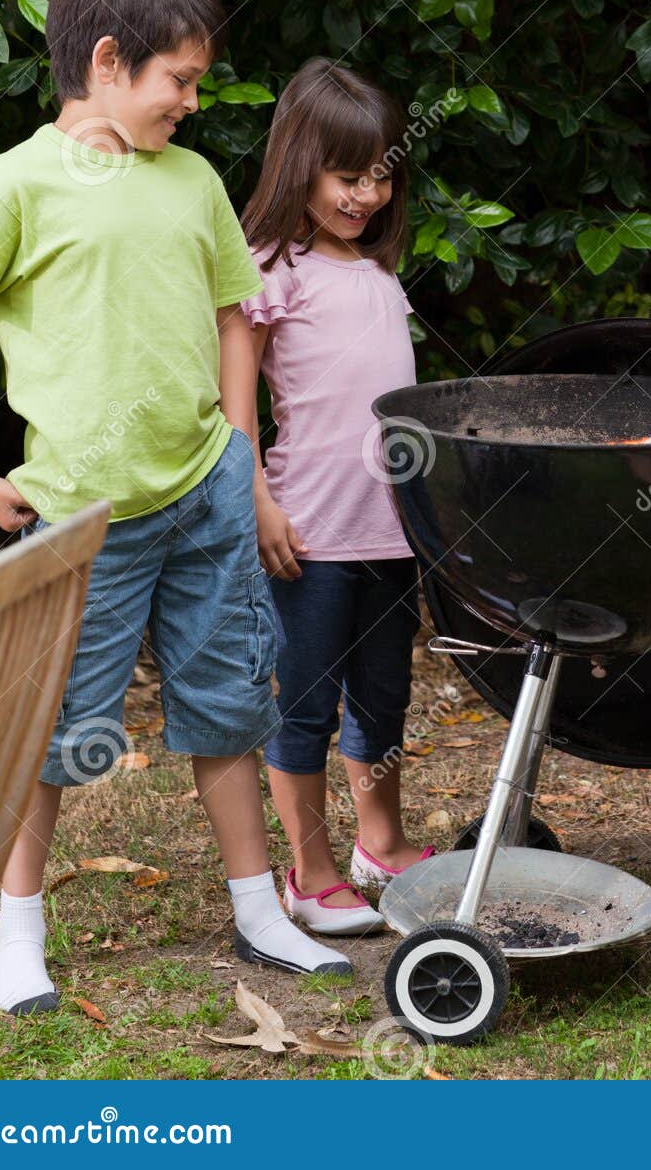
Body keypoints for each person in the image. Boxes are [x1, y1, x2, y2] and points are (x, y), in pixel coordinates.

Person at [0, 0, 355, 1015]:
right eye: (179, 78)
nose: (191, 98)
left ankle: (261, 908)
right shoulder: (15, 183)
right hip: (81, 511)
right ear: (109, 60)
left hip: (203, 493)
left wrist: (237, 451)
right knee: (56, 728)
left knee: (228, 703)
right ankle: (19, 934)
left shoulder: (193, 181)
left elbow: (232, 316)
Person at [241, 59, 432, 937]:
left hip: (390, 534)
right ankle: (309, 869)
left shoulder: (380, 276)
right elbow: (230, 402)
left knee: (383, 697)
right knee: (306, 703)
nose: (366, 194)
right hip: (309, 531)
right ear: (299, 166)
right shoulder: (268, 269)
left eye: (381, 176)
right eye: (347, 177)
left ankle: (380, 844)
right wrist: (256, 499)